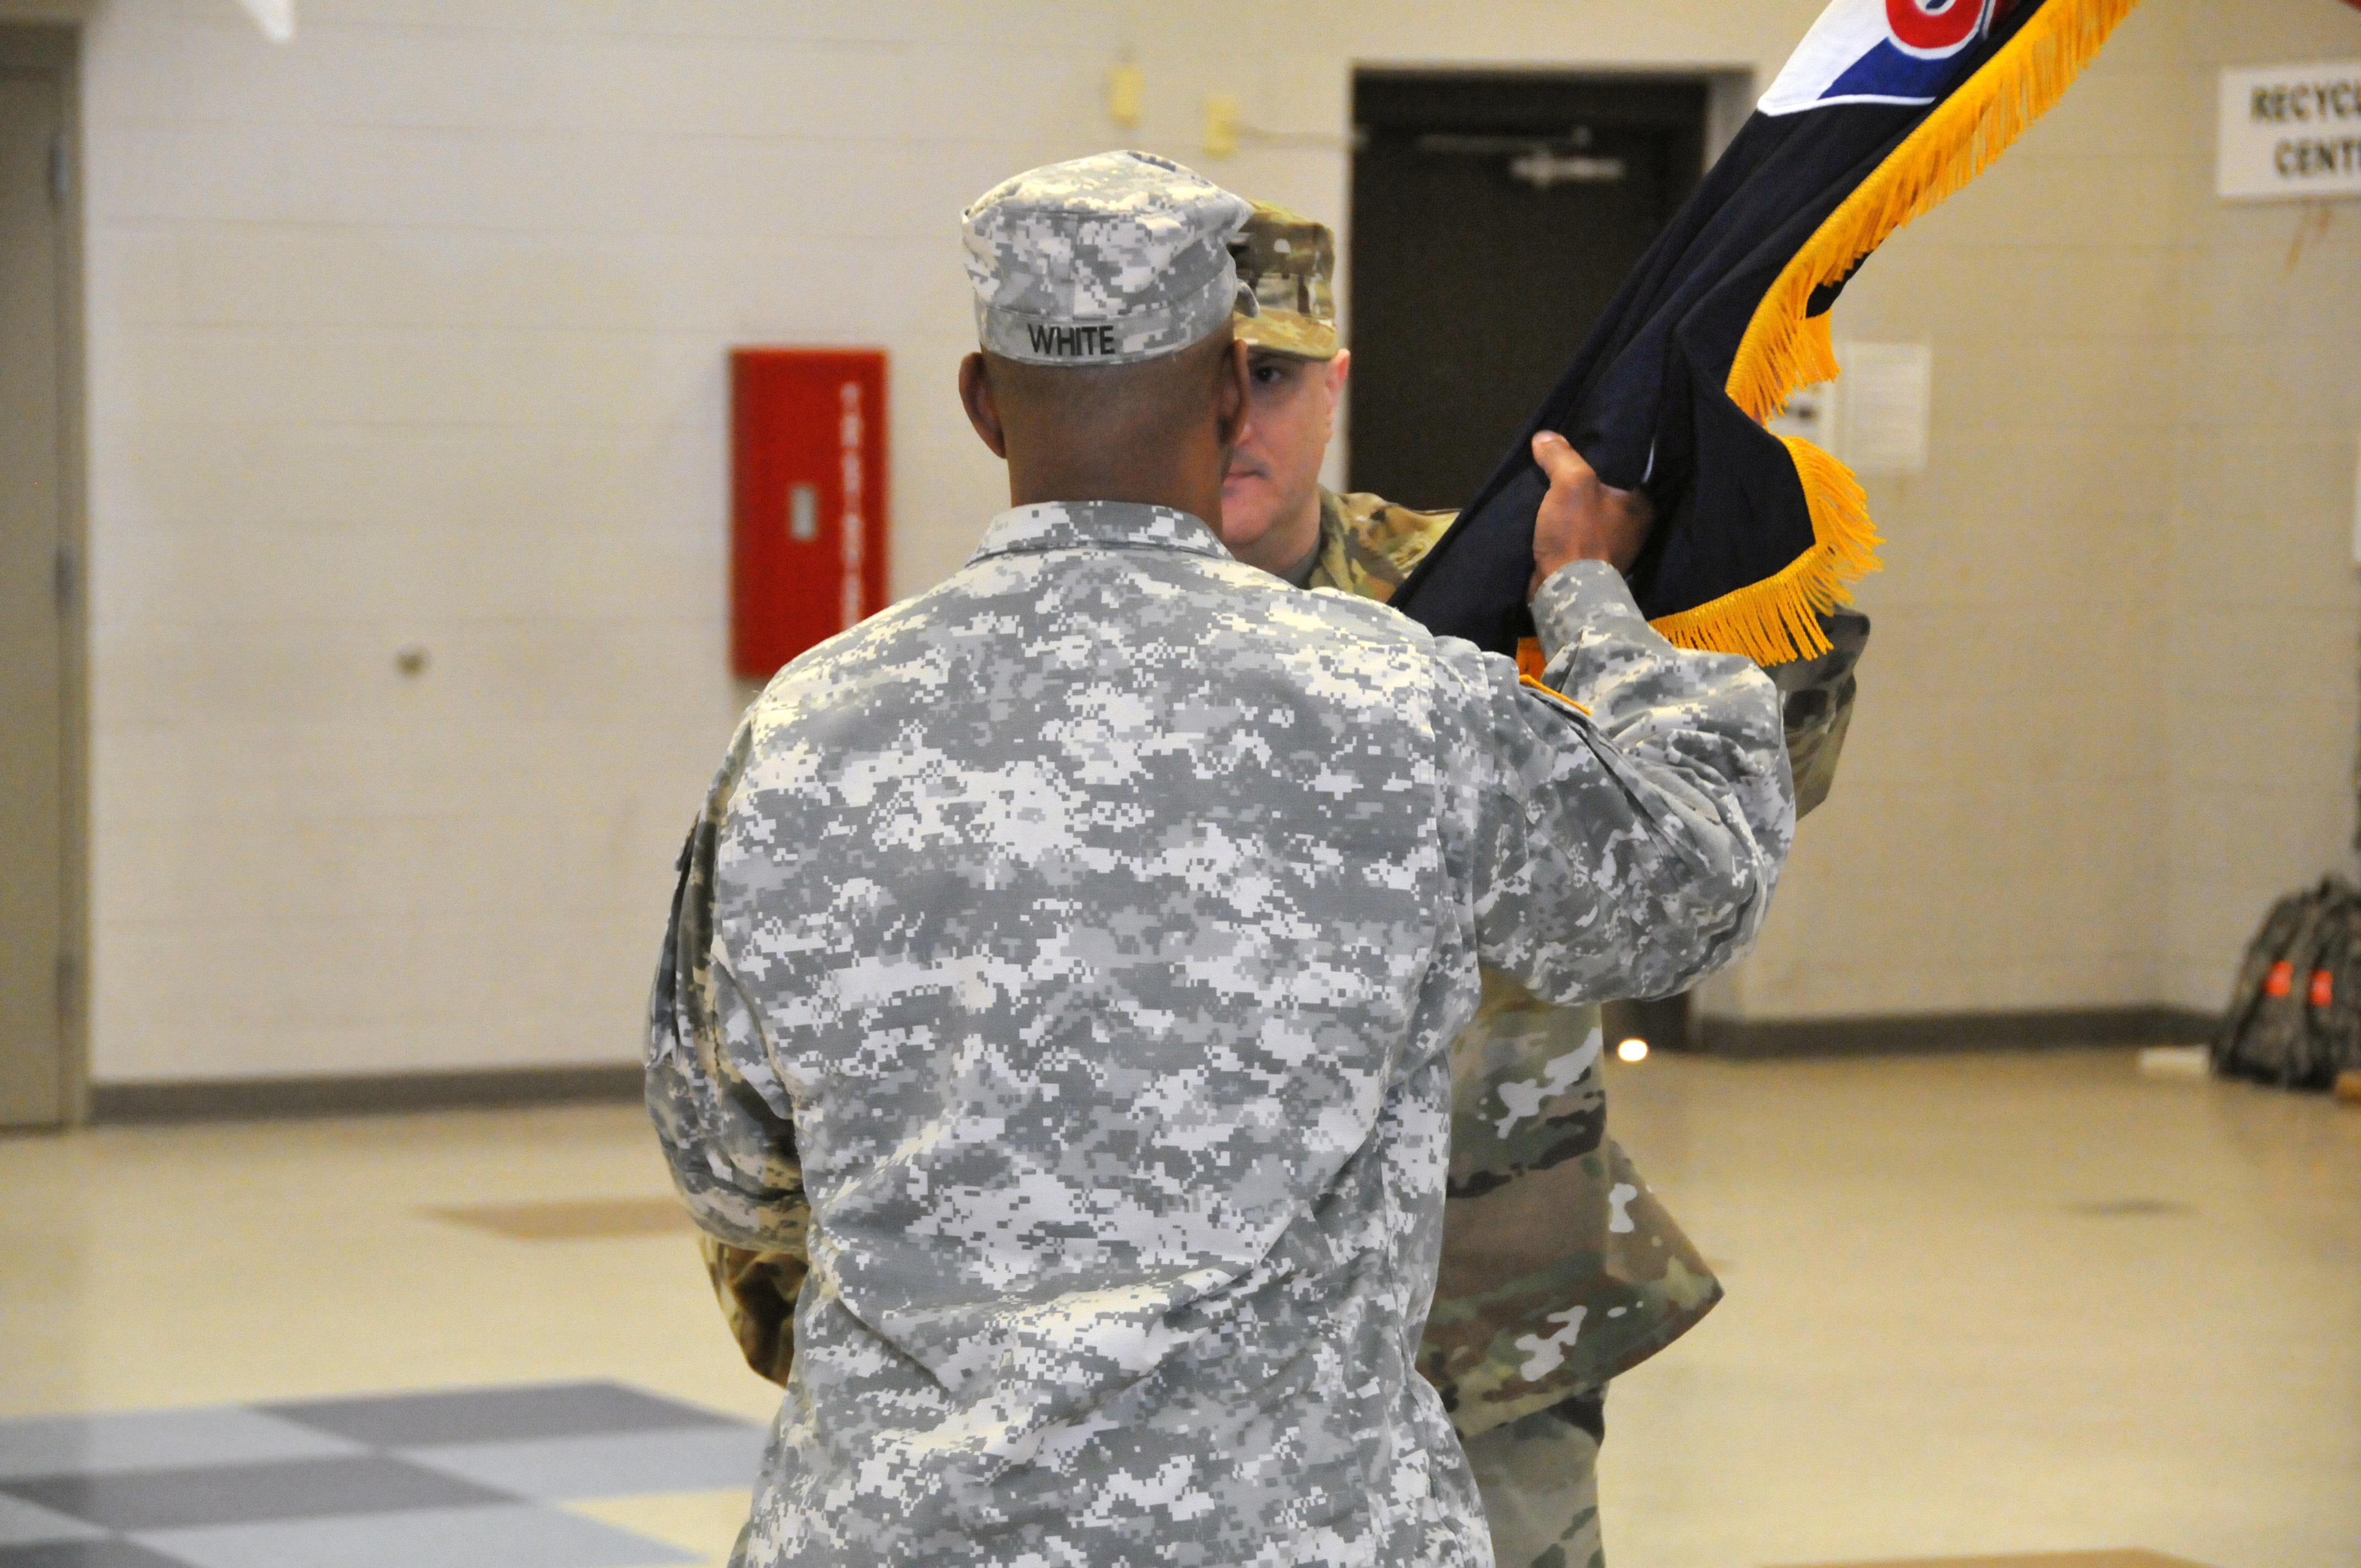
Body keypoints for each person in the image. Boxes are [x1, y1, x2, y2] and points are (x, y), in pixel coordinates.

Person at [648, 149, 1794, 1567]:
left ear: (983, 404)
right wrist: (1593, 609)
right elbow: (1694, 883)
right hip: (1293, 1529)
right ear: (1217, 390)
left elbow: (731, 1165)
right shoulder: (1401, 700)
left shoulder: (807, 728)